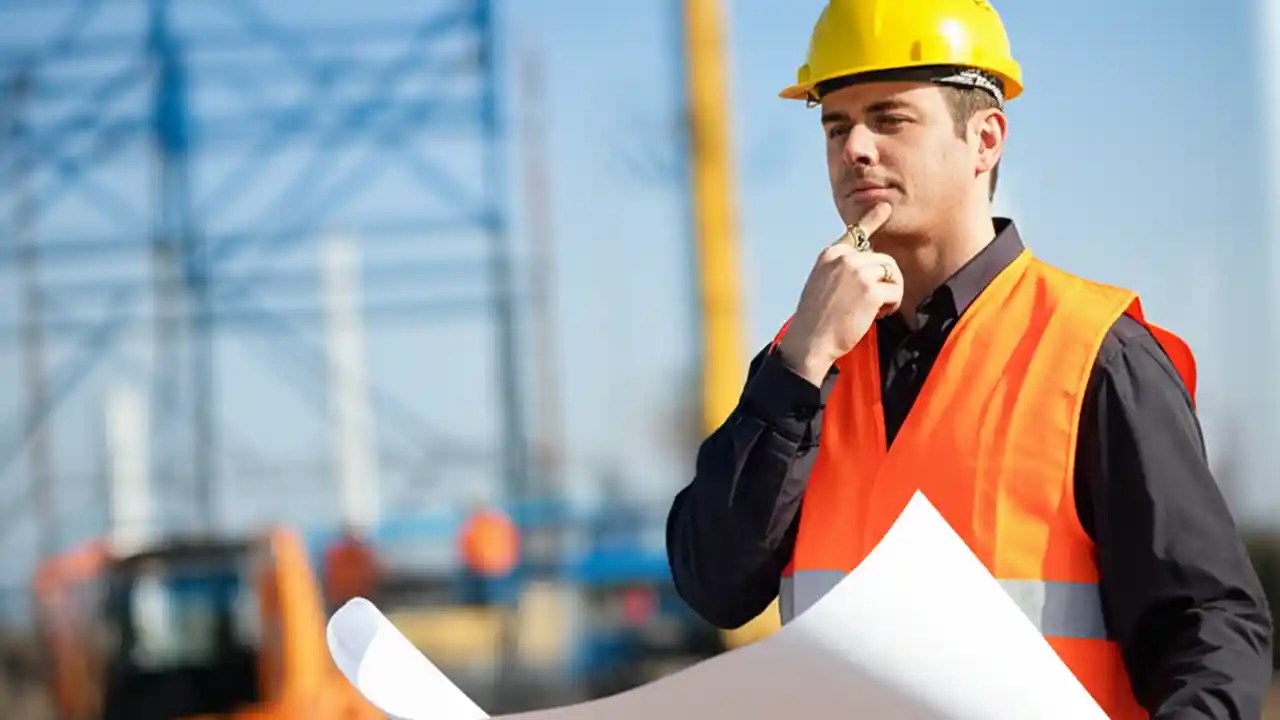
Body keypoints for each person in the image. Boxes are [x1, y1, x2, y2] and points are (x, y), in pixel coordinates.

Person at [664, 1, 1275, 717]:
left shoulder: (1096, 354)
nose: (854, 146)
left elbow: (1209, 629)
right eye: (835, 125)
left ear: (984, 139)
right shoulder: (802, 363)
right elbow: (715, 585)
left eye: (890, 118)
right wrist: (800, 360)